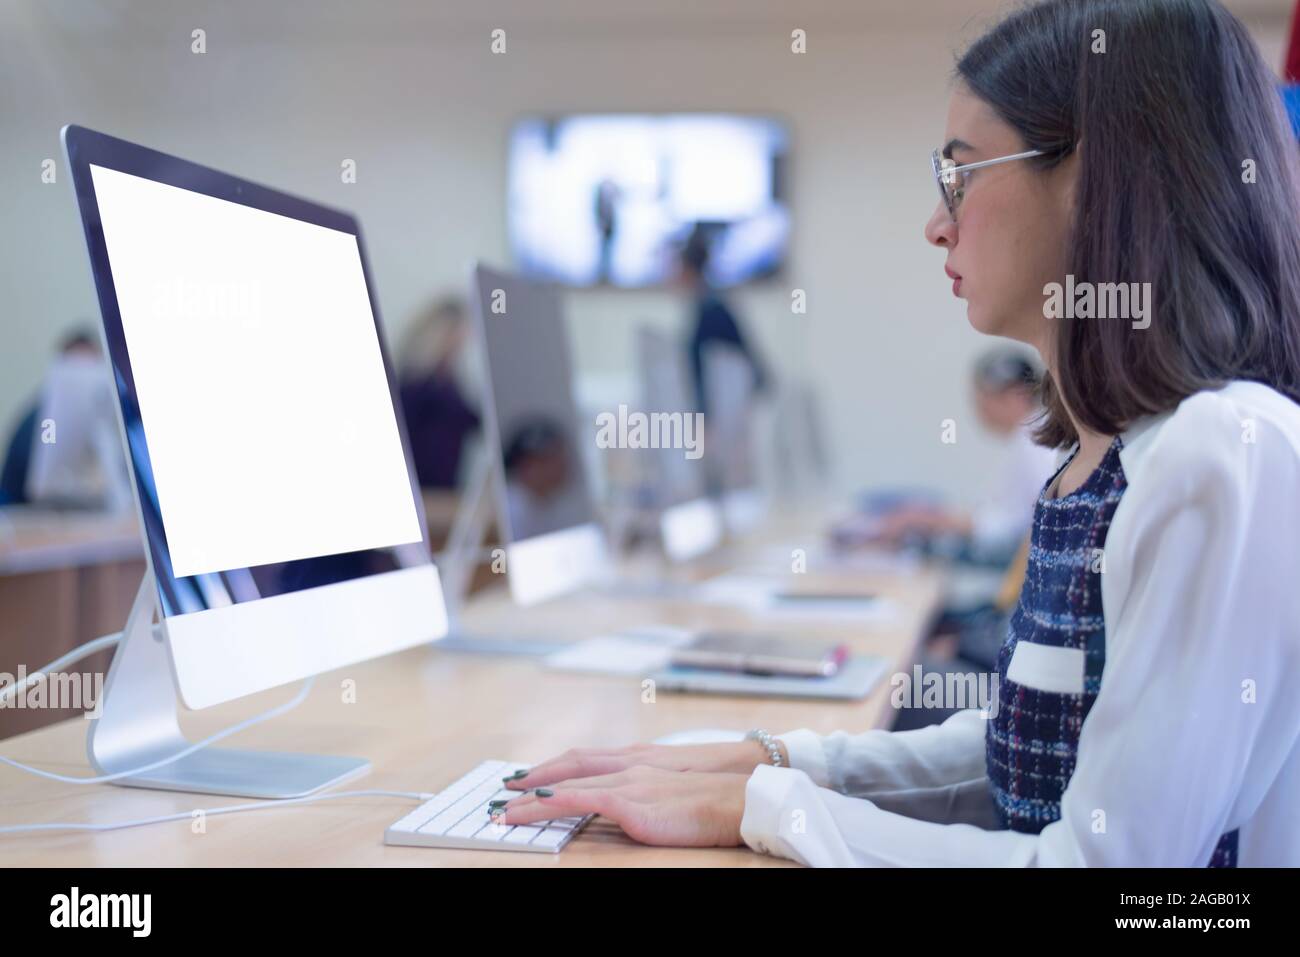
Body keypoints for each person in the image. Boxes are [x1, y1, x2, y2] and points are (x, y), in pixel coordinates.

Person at [490, 0, 1300, 866]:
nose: (937, 222)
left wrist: (771, 807)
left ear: (1099, 176)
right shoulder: (1114, 456)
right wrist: (769, 761)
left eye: (963, 174)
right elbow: (1023, 751)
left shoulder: (1218, 454)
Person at [873, 348, 1058, 565]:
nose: (980, 412)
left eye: (984, 401)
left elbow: (1013, 528)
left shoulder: (1035, 445)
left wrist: (933, 520)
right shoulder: (1029, 438)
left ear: (1017, 395)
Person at [396, 297, 480, 489]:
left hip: (445, 489)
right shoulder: (417, 388)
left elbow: (472, 421)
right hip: (424, 492)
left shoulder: (450, 386)